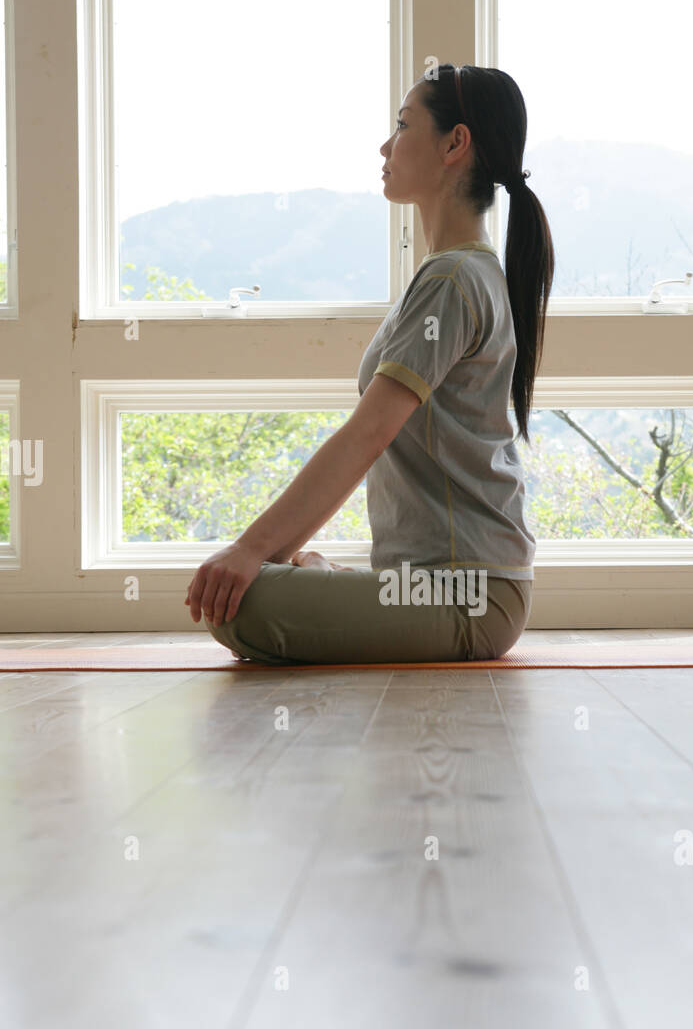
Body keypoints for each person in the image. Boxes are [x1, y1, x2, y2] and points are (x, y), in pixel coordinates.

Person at [185, 63, 554, 664]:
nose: (386, 146)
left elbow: (366, 436)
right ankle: (328, 579)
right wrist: (260, 554)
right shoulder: (458, 272)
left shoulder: (453, 279)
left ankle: (320, 578)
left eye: (404, 125)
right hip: (448, 585)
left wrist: (251, 550)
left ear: (455, 144)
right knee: (243, 591)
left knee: (240, 608)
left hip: (467, 594)